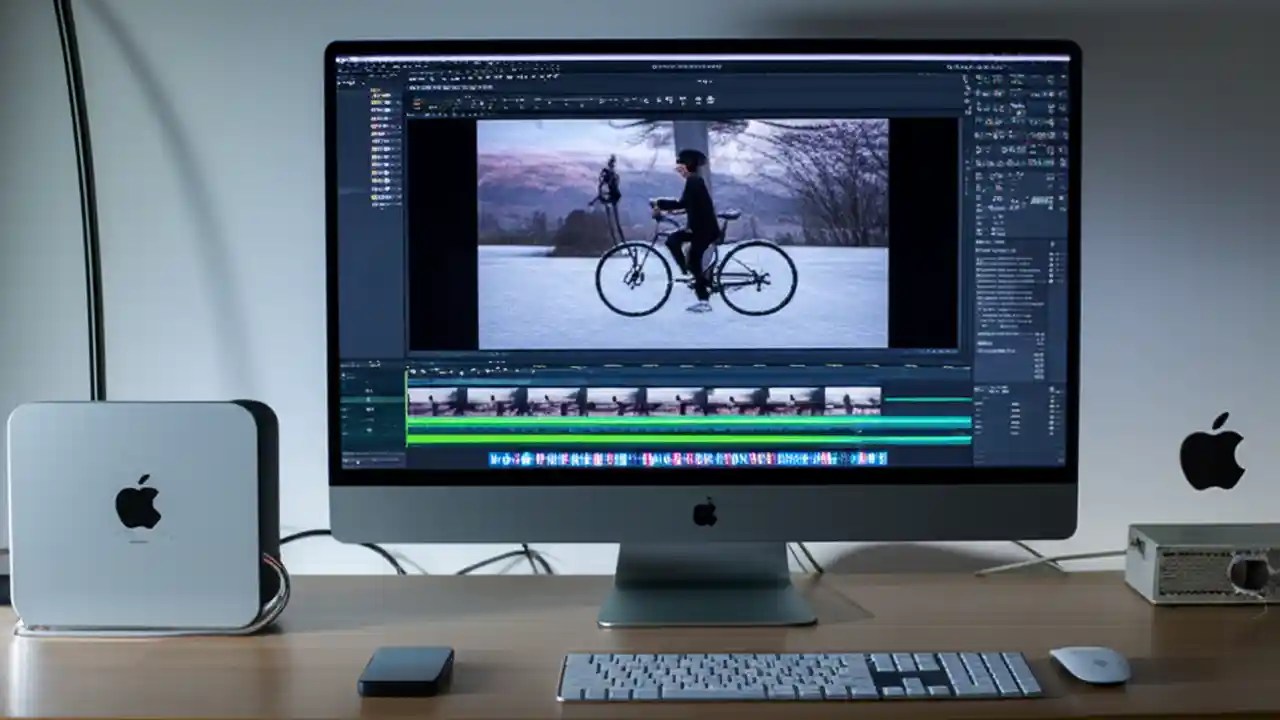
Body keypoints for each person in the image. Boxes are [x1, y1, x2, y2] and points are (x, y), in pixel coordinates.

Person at [653, 148, 719, 313]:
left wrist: (660, 203)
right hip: (699, 229)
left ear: (689, 165)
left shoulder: (694, 182)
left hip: (704, 230)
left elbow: (682, 204)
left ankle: (703, 299)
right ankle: (691, 275)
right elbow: (686, 205)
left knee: (693, 260)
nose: (679, 170)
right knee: (673, 241)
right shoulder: (694, 180)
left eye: (681, 166)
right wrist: (663, 205)